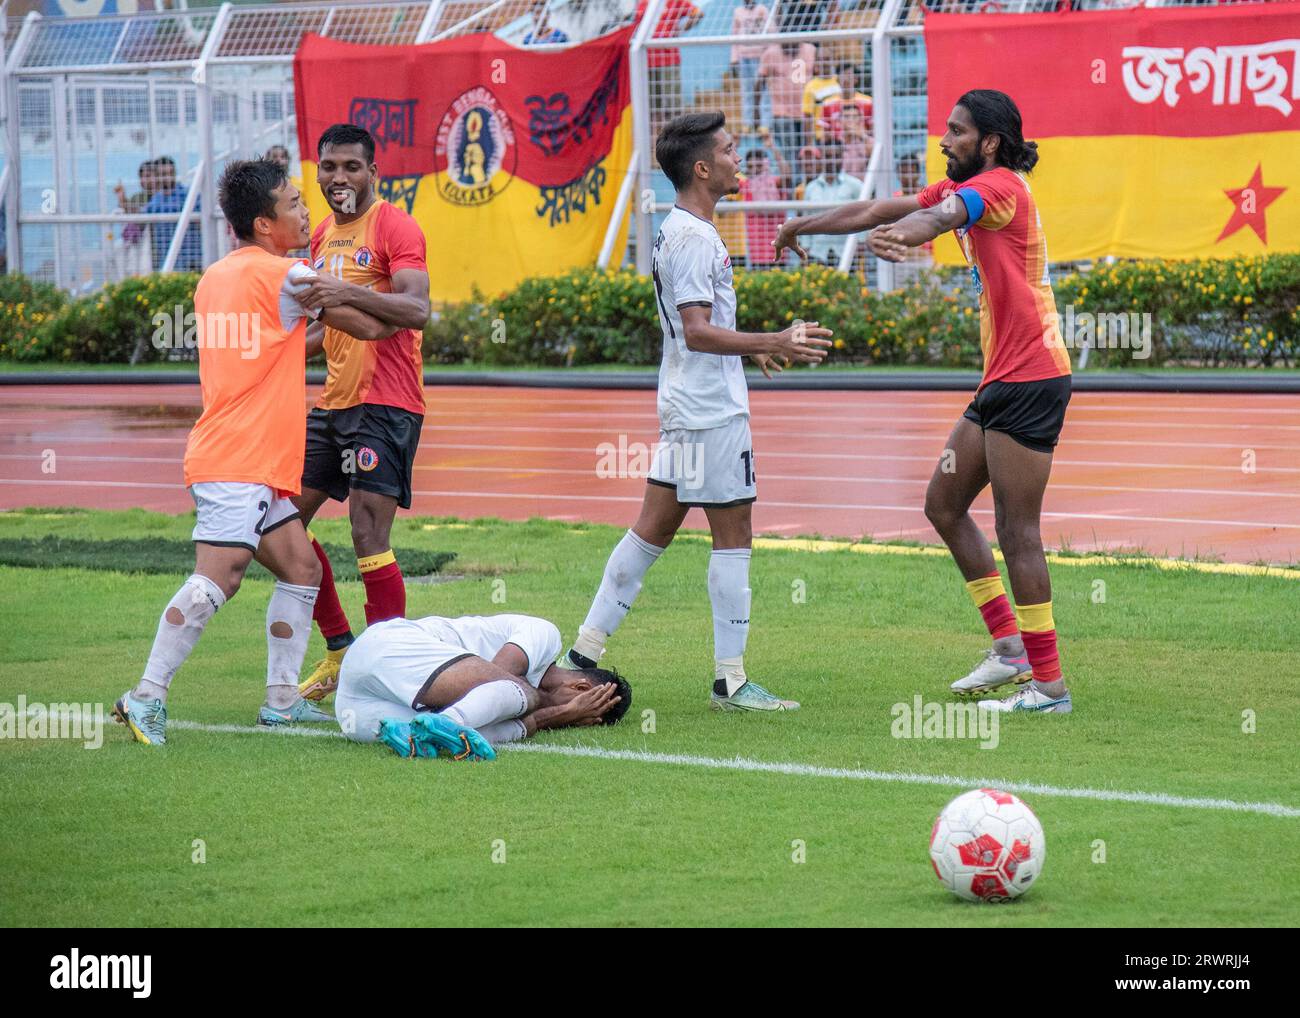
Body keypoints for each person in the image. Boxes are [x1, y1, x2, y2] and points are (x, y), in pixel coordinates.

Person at [773, 90, 1074, 715]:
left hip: (1031, 378)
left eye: (957, 131)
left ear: (989, 143)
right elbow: (888, 206)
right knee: (943, 503)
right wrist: (804, 222)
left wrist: (903, 238)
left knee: (1019, 531)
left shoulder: (998, 188)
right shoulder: (968, 183)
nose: (944, 139)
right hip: (1003, 379)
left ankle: (1047, 686)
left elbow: (931, 221)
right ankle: (1010, 649)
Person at [112, 160, 395, 745]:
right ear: (265, 224)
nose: (306, 210)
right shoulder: (288, 274)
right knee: (220, 578)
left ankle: (282, 702)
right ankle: (145, 696)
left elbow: (283, 342)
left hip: (247, 459)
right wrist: (396, 301)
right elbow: (365, 327)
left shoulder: (215, 276)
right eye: (293, 204)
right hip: (238, 459)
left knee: (303, 568)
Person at [559, 112, 832, 713]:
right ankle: (730, 682)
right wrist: (773, 341)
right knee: (733, 534)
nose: (741, 159)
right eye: (732, 151)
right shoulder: (692, 237)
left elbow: (701, 333)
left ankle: (580, 656)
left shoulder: (685, 229)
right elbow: (698, 331)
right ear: (704, 168)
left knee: (651, 530)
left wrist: (750, 352)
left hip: (690, 406)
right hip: (710, 415)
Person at [289, 123, 432, 704]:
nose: (338, 178)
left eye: (351, 166)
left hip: (388, 403)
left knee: (367, 531)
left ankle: (388, 671)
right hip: (333, 404)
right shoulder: (322, 234)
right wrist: (258, 353)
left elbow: (416, 309)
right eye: (329, 168)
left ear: (374, 172)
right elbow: (326, 329)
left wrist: (338, 292)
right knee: (279, 520)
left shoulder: (396, 225)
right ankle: (341, 648)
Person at [335, 613, 630, 758]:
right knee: (523, 694)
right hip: (390, 645)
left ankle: (419, 733)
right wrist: (553, 715)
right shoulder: (545, 635)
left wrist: (546, 719)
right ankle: (443, 724)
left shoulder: (496, 706)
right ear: (580, 688)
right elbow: (499, 679)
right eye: (582, 711)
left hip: (357, 709)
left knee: (472, 727)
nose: (573, 717)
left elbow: (482, 716)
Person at [637, 0, 703, 133]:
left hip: (669, 58)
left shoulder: (674, 1)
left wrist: (683, 28)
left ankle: (675, 139)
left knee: (673, 105)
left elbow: (698, 13)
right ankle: (654, 144)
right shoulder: (642, 3)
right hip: (647, 60)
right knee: (651, 107)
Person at [797, 141, 862, 266]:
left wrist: (860, 243)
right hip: (817, 252)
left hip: (846, 251)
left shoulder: (855, 185)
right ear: (821, 158)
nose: (832, 160)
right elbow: (806, 218)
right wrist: (805, 247)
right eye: (828, 156)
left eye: (836, 156)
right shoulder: (811, 188)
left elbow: (865, 213)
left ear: (842, 158)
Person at [758, 40, 817, 169]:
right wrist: (756, 111)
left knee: (807, 153)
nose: (789, 47)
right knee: (790, 154)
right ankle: (795, 185)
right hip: (782, 113)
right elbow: (759, 82)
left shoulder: (811, 50)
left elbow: (819, 73)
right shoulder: (771, 53)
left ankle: (806, 184)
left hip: (807, 113)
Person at [739, 135, 792, 267]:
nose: (755, 169)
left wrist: (773, 148)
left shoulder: (774, 182)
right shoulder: (745, 185)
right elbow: (725, 176)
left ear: (765, 165)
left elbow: (788, 177)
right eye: (751, 166)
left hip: (779, 249)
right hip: (757, 251)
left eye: (759, 165)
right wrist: (735, 145)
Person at [145, 156, 203, 273]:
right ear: (156, 176)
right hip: (166, 259)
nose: (168, 177)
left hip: (192, 258)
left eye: (171, 173)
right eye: (164, 174)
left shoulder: (189, 195)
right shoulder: (154, 201)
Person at [730, 0, 770, 133]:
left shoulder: (762, 10)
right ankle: (747, 123)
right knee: (747, 91)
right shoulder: (737, 12)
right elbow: (734, 36)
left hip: (760, 57)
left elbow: (771, 32)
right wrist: (734, 58)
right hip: (744, 57)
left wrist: (767, 55)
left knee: (763, 91)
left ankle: (765, 123)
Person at [816, 62, 872, 143]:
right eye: (843, 75)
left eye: (849, 75)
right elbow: (823, 134)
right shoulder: (828, 103)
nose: (846, 78)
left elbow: (873, 131)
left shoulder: (868, 102)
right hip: (837, 149)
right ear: (837, 80)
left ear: (856, 79)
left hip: (862, 145)